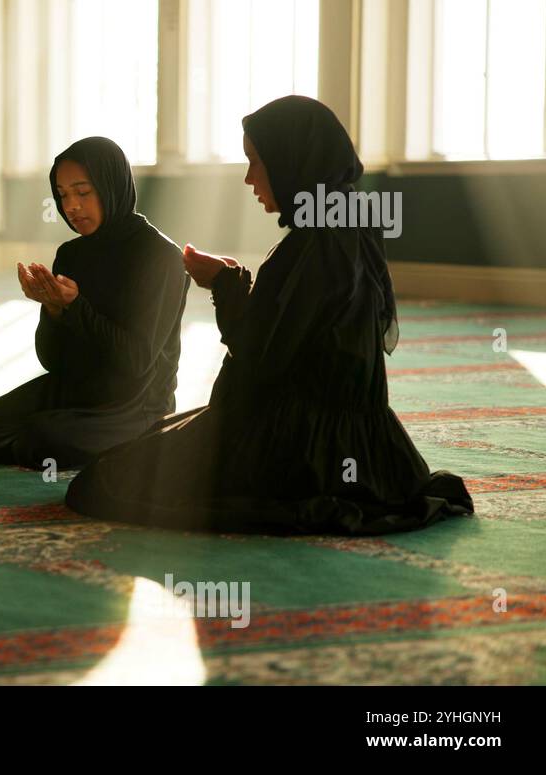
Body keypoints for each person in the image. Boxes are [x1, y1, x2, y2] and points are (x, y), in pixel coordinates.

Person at [65, 95, 474, 535]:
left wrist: (225, 285)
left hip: (302, 446)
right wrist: (233, 280)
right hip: (365, 442)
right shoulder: (348, 220)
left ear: (291, 160)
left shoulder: (314, 246)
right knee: (148, 445)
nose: (248, 178)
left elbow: (260, 358)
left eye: (256, 162)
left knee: (107, 479)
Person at [0, 137, 189, 470]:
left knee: (42, 438)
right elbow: (52, 361)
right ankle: (52, 435)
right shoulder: (71, 254)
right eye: (63, 195)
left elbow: (136, 362)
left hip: (133, 404)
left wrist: (77, 308)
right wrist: (54, 311)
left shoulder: (159, 256)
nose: (71, 206)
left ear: (111, 186)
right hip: (76, 389)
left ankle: (123, 438)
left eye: (83, 192)